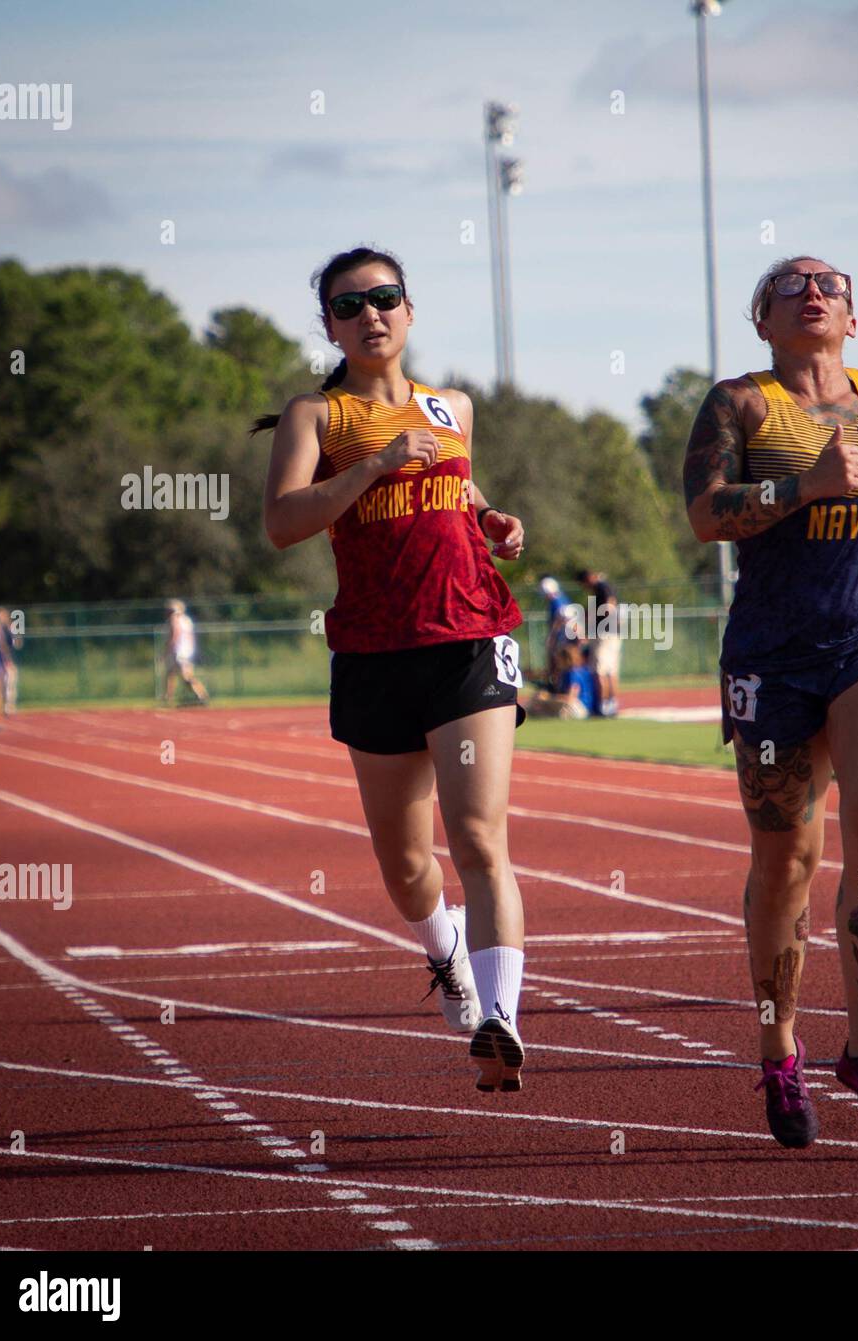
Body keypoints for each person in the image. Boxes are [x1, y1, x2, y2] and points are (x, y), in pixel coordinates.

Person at [256, 245, 530, 1094]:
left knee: (481, 837)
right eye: (350, 304)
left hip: (470, 636)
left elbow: (461, 485)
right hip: (375, 650)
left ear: (410, 312)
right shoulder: (319, 416)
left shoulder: (453, 406)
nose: (371, 313)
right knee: (406, 863)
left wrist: (491, 517)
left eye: (386, 297)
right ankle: (443, 949)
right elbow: (280, 523)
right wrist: (374, 465)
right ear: (330, 325)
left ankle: (501, 1020)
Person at [683, 255, 858, 1148]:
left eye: (831, 283)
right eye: (791, 286)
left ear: (853, 319)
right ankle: (778, 1050)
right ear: (764, 321)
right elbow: (707, 513)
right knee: (787, 854)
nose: (815, 292)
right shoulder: (740, 402)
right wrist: (804, 487)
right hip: (772, 650)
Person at [577, 568, 620, 716]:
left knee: (599, 671)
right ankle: (611, 705)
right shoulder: (603, 587)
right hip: (613, 633)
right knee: (610, 671)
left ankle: (602, 706)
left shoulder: (602, 587)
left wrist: (592, 617)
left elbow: (609, 606)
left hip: (604, 633)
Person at [524, 642, 599, 719]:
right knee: (538, 704)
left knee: (542, 701)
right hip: (575, 707)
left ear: (566, 659)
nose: (556, 661)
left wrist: (548, 697)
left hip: (580, 708)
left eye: (558, 658)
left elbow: (571, 698)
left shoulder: (574, 673)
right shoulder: (566, 673)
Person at [161, 600, 210, 706]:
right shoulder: (187, 620)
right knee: (171, 673)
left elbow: (175, 634)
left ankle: (202, 695)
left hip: (179, 651)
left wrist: (168, 649)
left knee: (186, 676)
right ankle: (167, 698)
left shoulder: (175, 618)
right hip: (186, 651)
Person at [0, 606, 20, 716]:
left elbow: (17, 644)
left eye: (2, 615)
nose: (1, 617)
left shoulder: (10, 628)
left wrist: (15, 632)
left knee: (10, 683)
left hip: (7, 660)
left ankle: (9, 706)